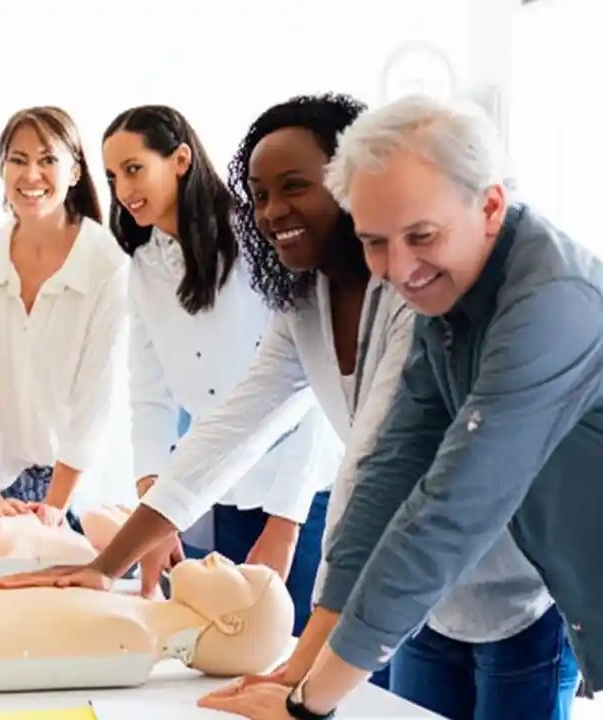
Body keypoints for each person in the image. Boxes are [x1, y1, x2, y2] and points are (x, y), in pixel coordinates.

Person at [199, 95, 595, 720]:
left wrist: (307, 705)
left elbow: (454, 505)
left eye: (421, 236)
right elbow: (390, 469)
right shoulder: (445, 300)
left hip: (538, 600)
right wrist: (299, 667)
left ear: (490, 205)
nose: (400, 270)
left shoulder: (552, 303)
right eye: (374, 242)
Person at [101, 103, 339, 634]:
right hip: (221, 487)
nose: (122, 189)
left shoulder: (257, 239)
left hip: (304, 493)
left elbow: (308, 388)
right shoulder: (144, 266)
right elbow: (150, 397)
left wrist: (286, 519)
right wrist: (154, 513)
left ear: (181, 159)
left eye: (134, 168)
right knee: (234, 653)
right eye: (113, 176)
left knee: (308, 662)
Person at [0, 106, 125, 532]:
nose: (31, 176)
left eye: (48, 160)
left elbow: (94, 406)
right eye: (18, 159)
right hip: (3, 486)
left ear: (76, 171)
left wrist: (54, 507)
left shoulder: (108, 263)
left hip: (88, 491)